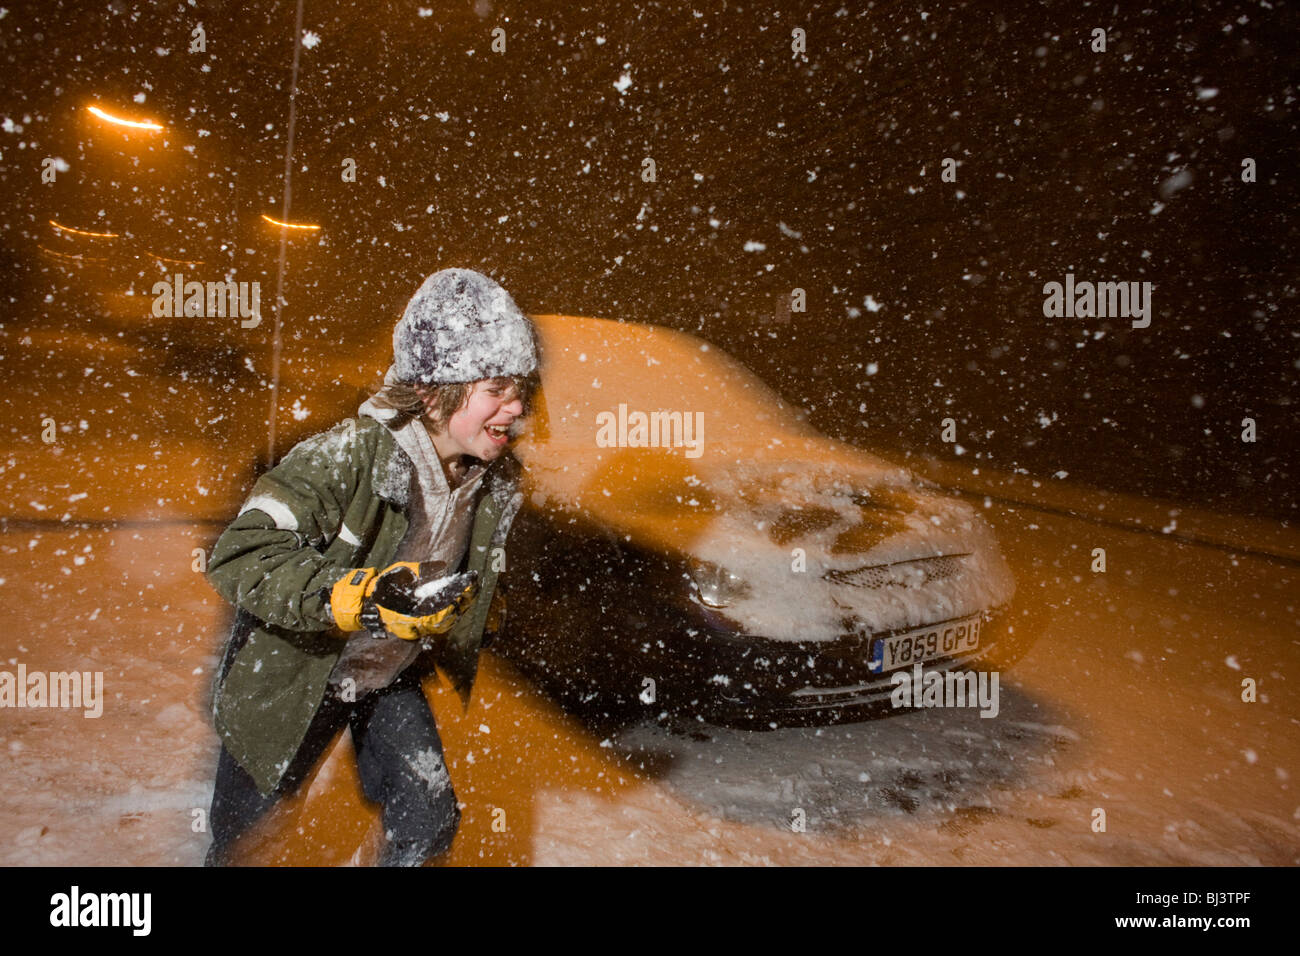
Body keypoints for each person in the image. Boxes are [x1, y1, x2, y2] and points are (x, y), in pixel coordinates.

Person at [203, 268, 538, 866]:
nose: (516, 409)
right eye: (497, 388)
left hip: (383, 675)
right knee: (252, 844)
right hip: (295, 672)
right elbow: (241, 552)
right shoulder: (348, 457)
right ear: (435, 391)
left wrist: (458, 606)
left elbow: (460, 570)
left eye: (521, 390)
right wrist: (348, 599)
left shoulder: (491, 482)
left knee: (427, 821)